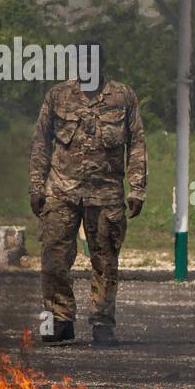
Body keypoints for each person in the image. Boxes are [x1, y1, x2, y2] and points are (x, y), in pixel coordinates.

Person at [29, 42, 146, 346]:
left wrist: (137, 188)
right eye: (81, 61)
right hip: (61, 190)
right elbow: (41, 142)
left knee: (105, 261)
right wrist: (36, 185)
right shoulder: (57, 95)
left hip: (106, 194)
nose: (87, 67)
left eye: (92, 62)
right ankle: (59, 320)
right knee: (53, 259)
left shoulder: (123, 96)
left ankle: (103, 323)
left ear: (102, 64)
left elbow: (136, 143)